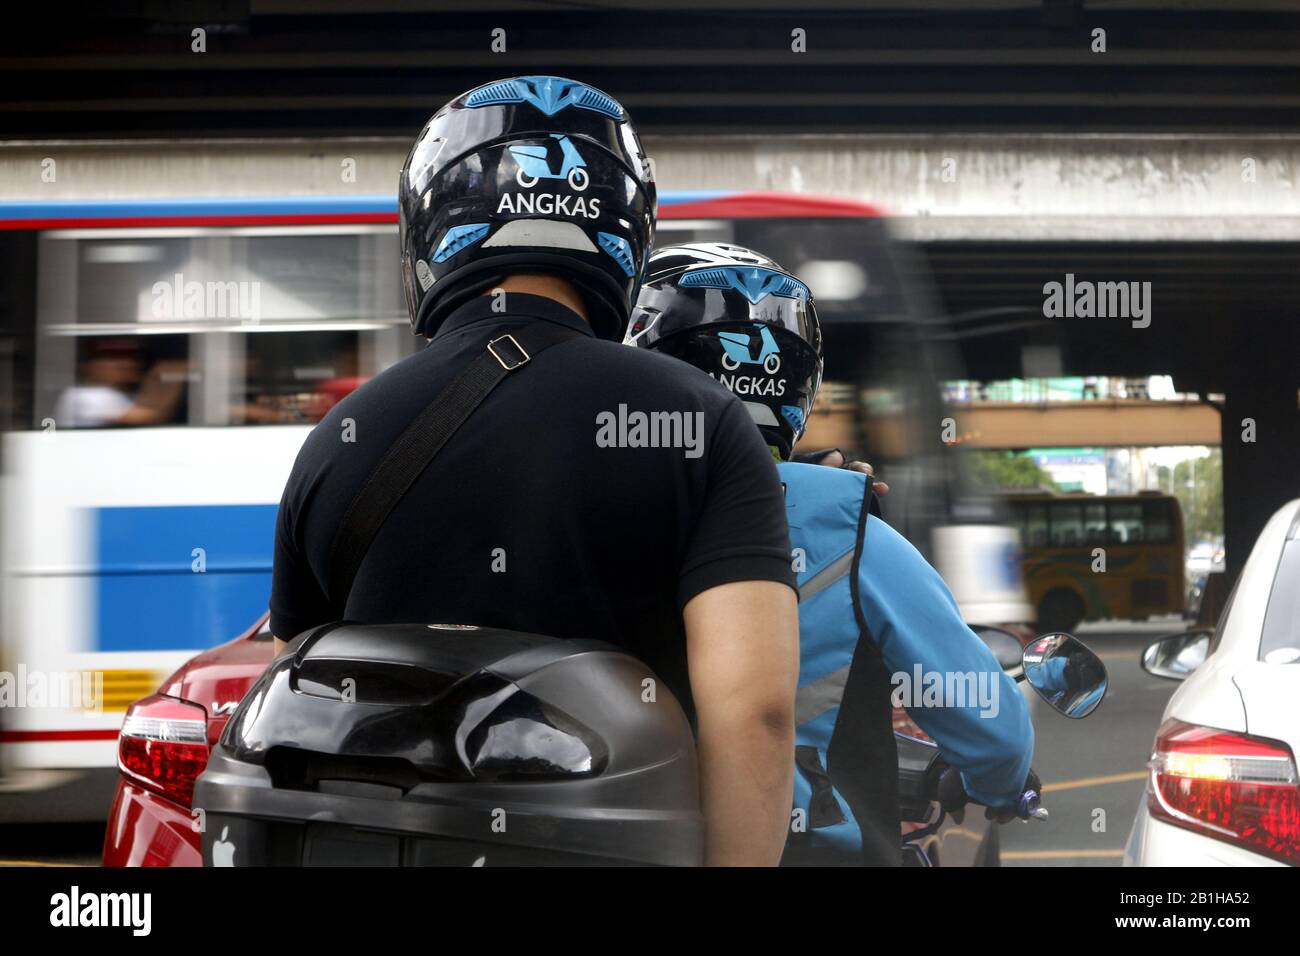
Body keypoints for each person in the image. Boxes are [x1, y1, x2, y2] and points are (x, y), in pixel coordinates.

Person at [269, 78, 799, 866]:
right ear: (627, 227)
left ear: (431, 226)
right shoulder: (703, 422)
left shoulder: (336, 439)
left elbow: (302, 691)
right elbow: (754, 711)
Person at [625, 242, 1036, 865]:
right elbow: (995, 732)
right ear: (799, 383)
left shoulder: (586, 508)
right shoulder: (846, 528)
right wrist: (1000, 786)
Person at [54, 340, 186, 428]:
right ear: (89, 367)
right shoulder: (83, 396)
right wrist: (170, 371)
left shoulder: (127, 396)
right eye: (110, 357)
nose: (124, 364)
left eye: (129, 357)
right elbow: (150, 416)